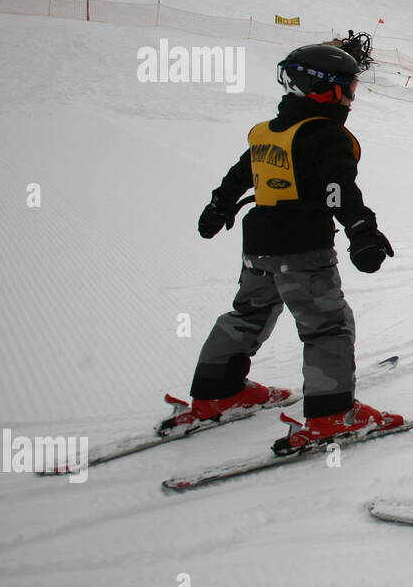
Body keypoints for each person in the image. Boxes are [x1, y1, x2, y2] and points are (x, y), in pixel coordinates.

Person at [163, 43, 400, 455]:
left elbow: (241, 175)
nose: (350, 99)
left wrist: (218, 208)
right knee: (327, 325)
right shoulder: (327, 136)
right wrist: (362, 231)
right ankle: (331, 413)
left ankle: (217, 391)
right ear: (322, 90)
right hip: (304, 250)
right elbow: (339, 191)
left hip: (259, 251)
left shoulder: (268, 131)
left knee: (248, 314)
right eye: (348, 89)